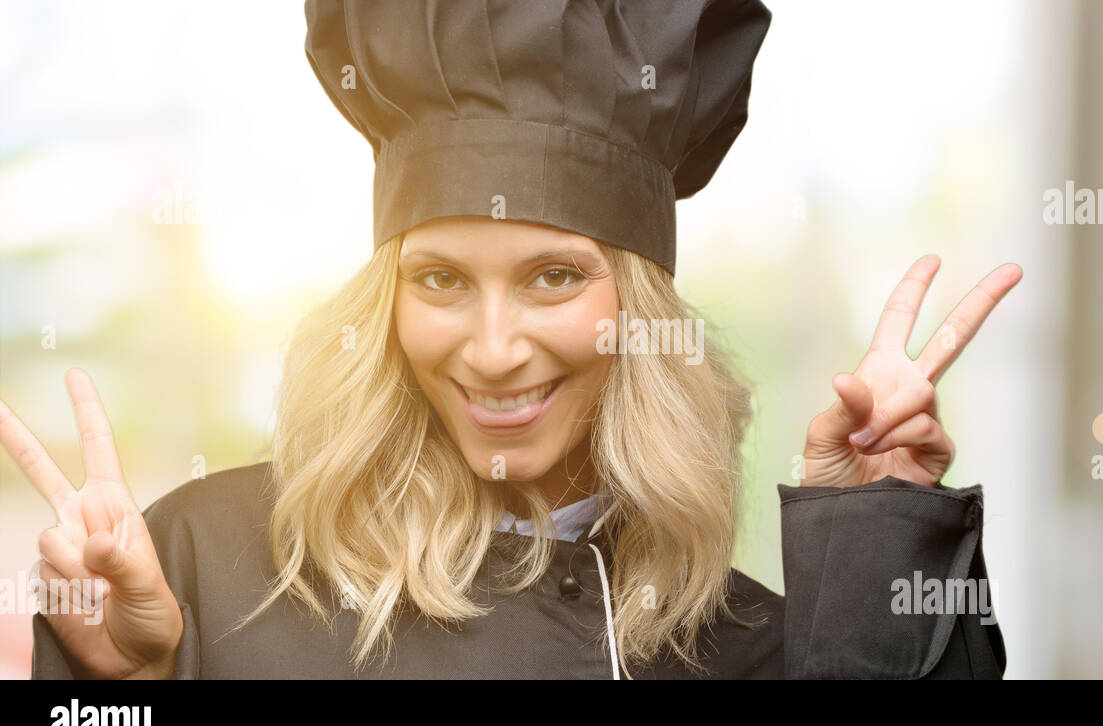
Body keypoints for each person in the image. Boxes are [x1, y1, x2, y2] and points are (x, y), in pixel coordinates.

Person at [6, 0, 1020, 679]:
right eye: (441, 279)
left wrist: (877, 532)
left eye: (554, 277)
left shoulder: (745, 643)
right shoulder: (206, 562)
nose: (493, 350)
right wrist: (120, 696)